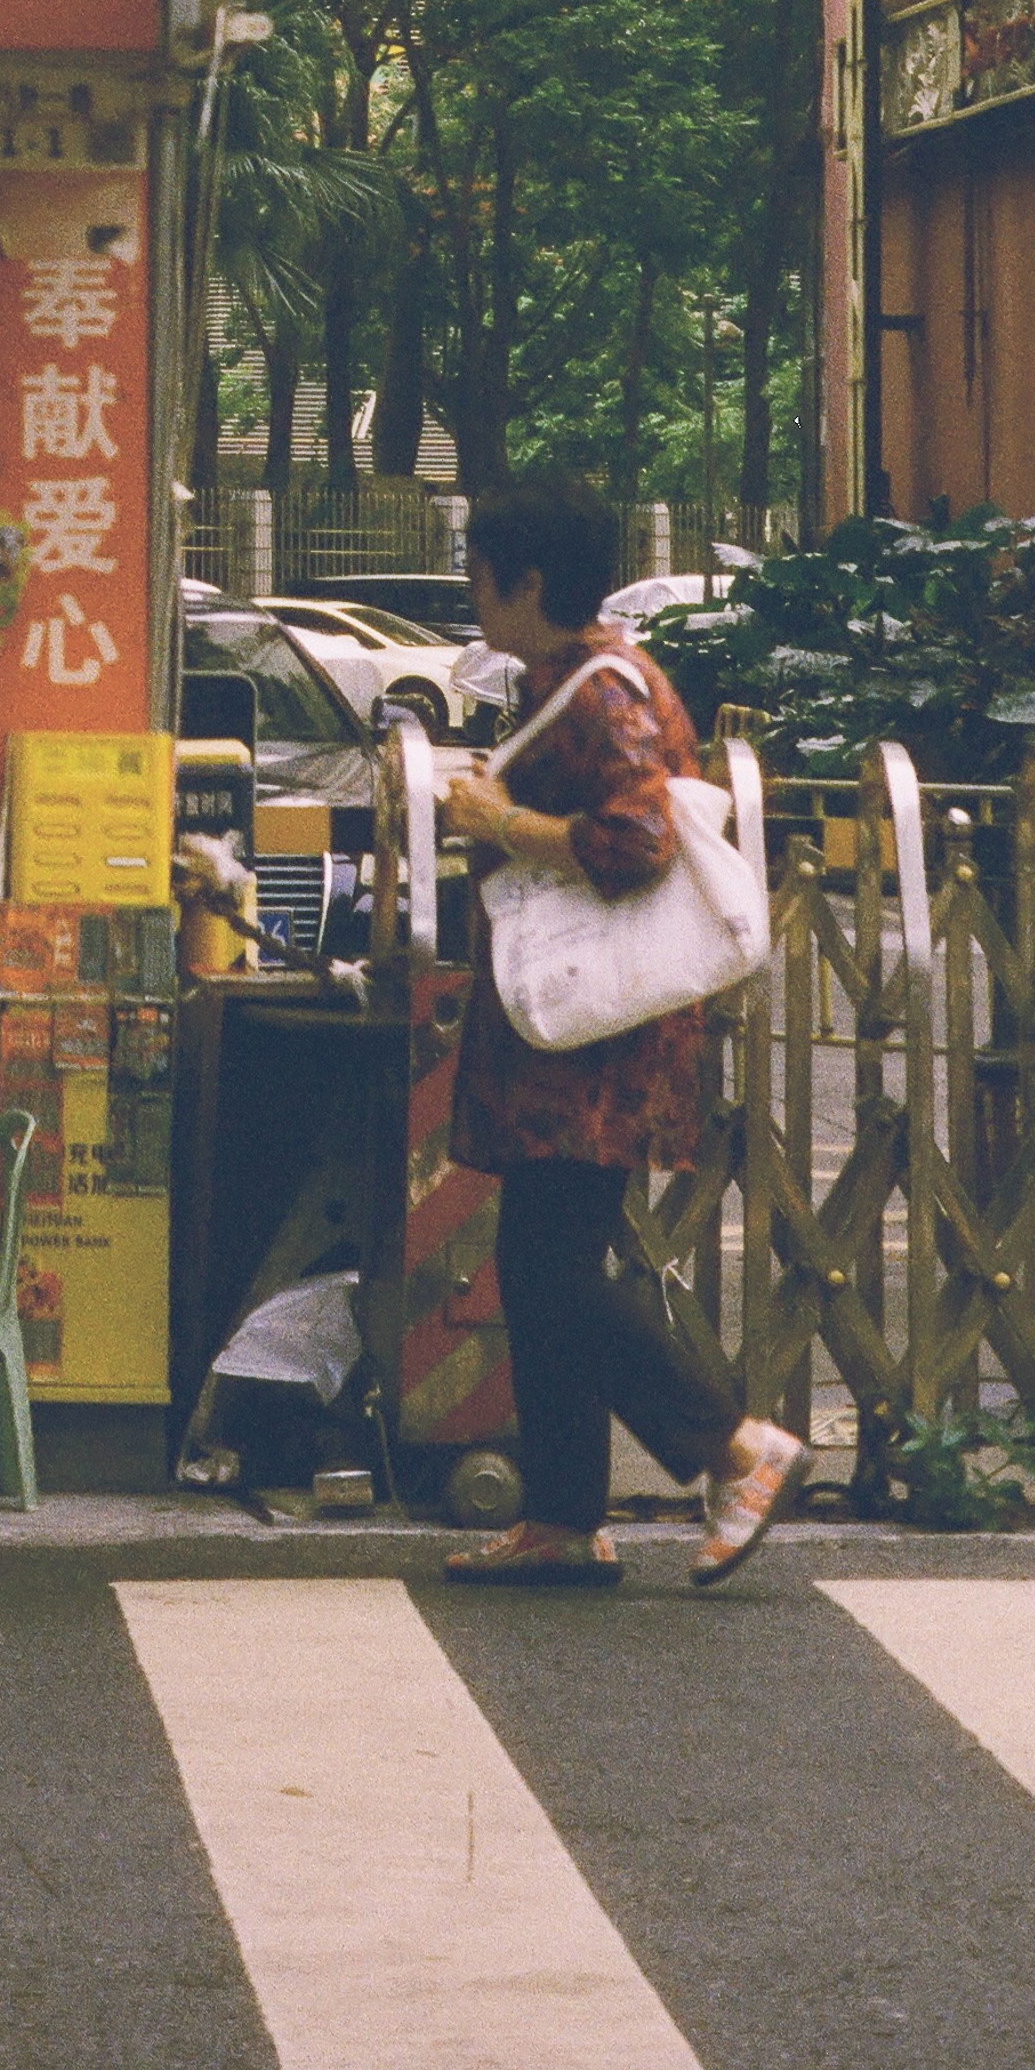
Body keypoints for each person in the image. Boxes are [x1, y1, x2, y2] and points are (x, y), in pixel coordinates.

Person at [424, 478, 804, 1593]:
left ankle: (733, 1447)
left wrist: (501, 822)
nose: (471, 593)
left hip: (596, 1045)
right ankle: (561, 1516)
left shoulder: (597, 691)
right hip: (582, 1036)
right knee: (540, 1263)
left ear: (526, 581)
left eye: (479, 573)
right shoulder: (576, 679)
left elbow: (636, 840)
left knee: (551, 1268)